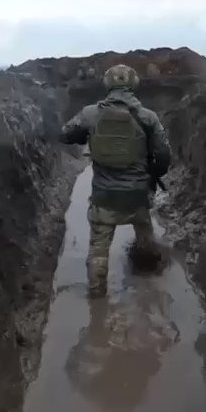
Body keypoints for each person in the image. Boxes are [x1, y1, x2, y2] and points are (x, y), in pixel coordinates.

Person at [59, 64, 171, 298]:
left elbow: (65, 134)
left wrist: (84, 135)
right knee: (145, 237)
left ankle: (97, 297)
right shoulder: (147, 117)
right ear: (134, 84)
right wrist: (153, 172)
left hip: (104, 197)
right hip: (138, 196)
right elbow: (163, 156)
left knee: (99, 250)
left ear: (108, 84)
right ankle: (149, 291)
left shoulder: (91, 114)